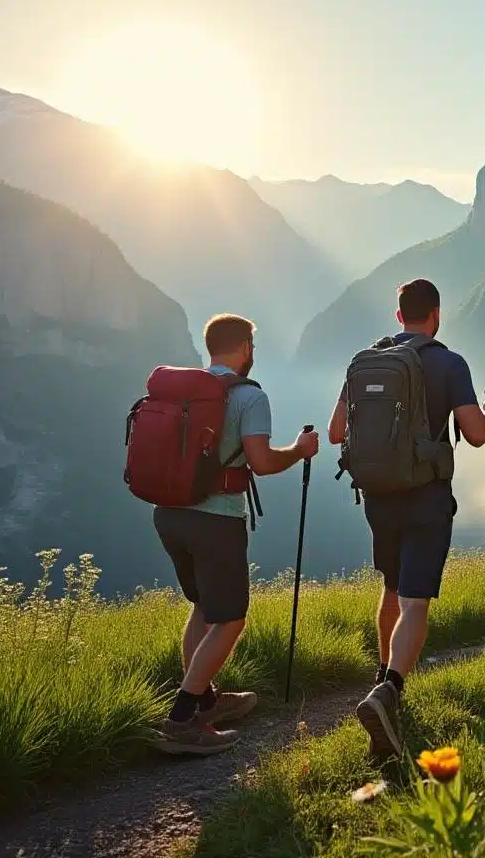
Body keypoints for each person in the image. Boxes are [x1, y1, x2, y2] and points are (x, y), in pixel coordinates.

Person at [327, 278, 485, 758]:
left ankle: (381, 677)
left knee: (390, 588)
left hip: (378, 497)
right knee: (416, 601)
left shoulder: (366, 362)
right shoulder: (449, 363)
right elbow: (475, 433)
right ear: (437, 314)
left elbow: (335, 431)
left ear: (398, 313)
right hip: (426, 497)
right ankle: (389, 692)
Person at [152, 313, 320, 755]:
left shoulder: (184, 391)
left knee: (205, 607)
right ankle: (183, 718)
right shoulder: (248, 397)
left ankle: (206, 699)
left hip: (169, 514)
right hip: (216, 519)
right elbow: (261, 462)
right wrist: (300, 450)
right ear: (247, 347)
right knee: (230, 619)